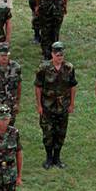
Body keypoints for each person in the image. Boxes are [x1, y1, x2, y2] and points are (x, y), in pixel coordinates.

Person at [34, 41, 76, 169]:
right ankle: (48, 158)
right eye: (57, 55)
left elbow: (72, 86)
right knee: (48, 133)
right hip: (48, 106)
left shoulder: (69, 68)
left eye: (61, 55)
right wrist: (39, 105)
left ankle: (57, 158)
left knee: (60, 133)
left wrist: (71, 104)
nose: (59, 57)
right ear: (52, 54)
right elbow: (38, 87)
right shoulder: (43, 68)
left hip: (63, 106)